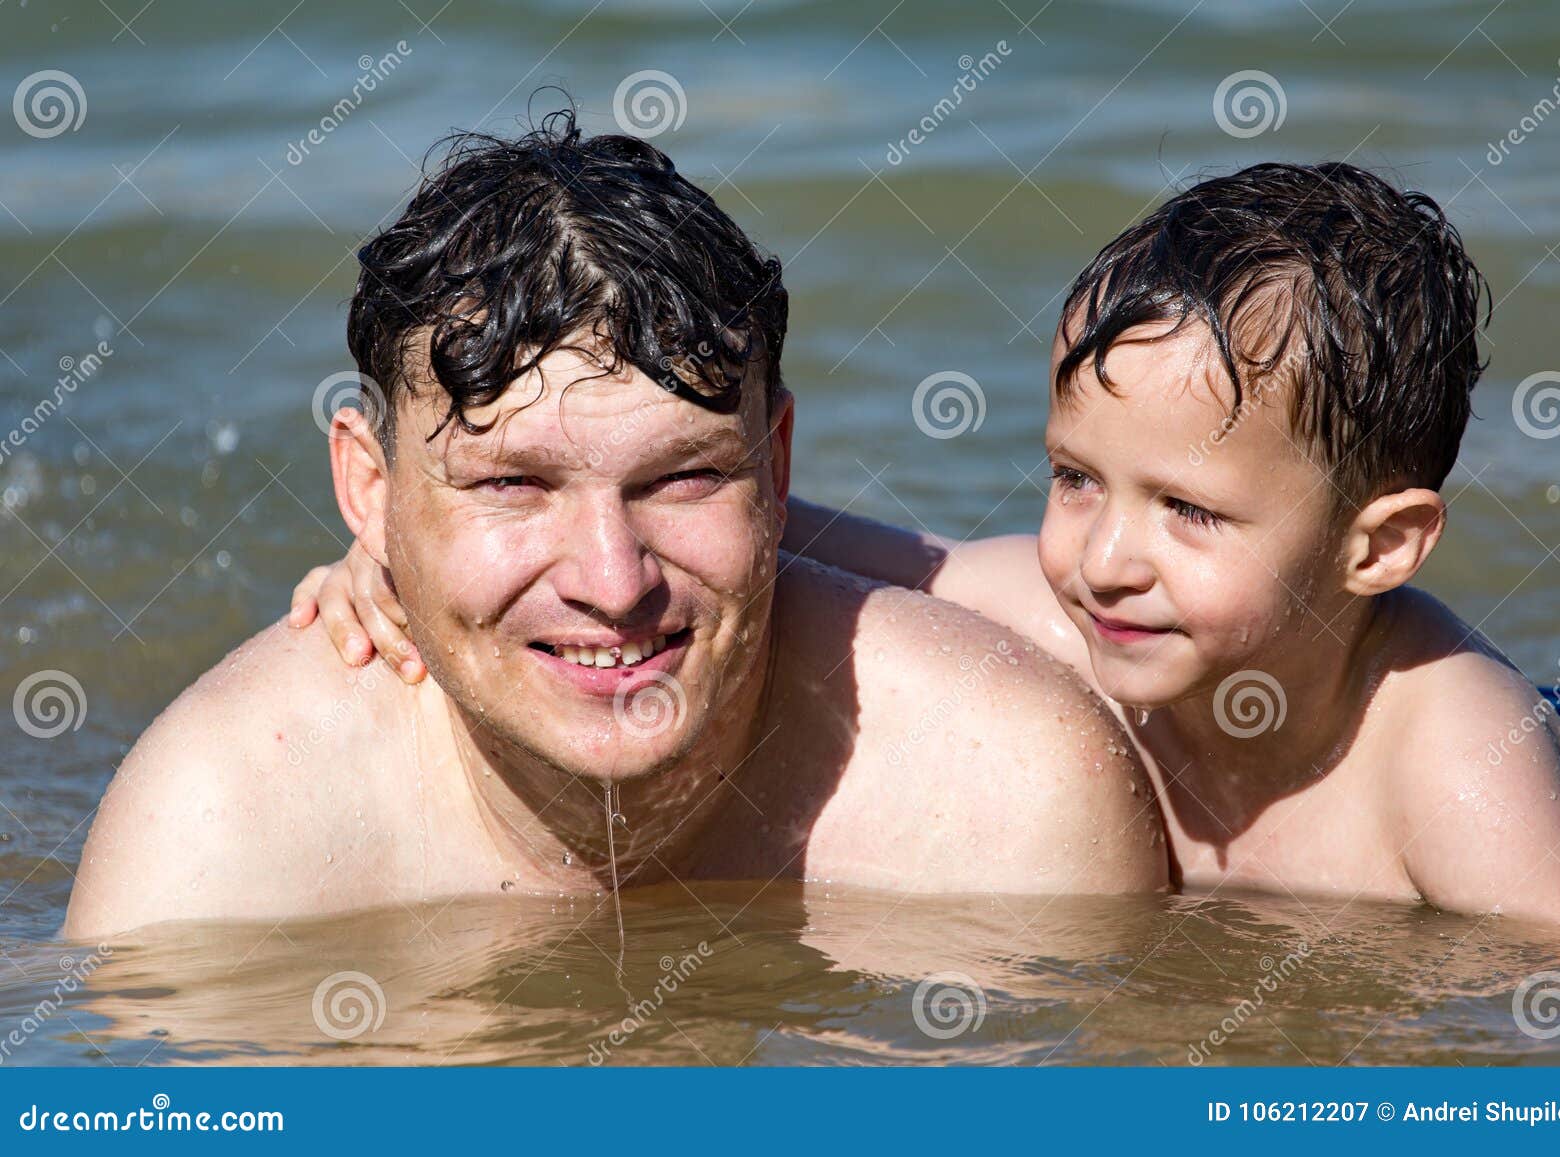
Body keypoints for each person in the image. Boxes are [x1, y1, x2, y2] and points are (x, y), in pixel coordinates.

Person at [298, 161, 1560, 931]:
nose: (1105, 556)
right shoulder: (1063, 608)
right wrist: (414, 554)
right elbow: (742, 537)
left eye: (1189, 512)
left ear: (1382, 550)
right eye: (1076, 480)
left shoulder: (1448, 761)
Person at [62, 112, 1165, 941]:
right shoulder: (219, 845)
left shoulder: (1003, 795)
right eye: (511, 487)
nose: (611, 579)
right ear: (368, 491)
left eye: (682, 478)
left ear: (775, 468)